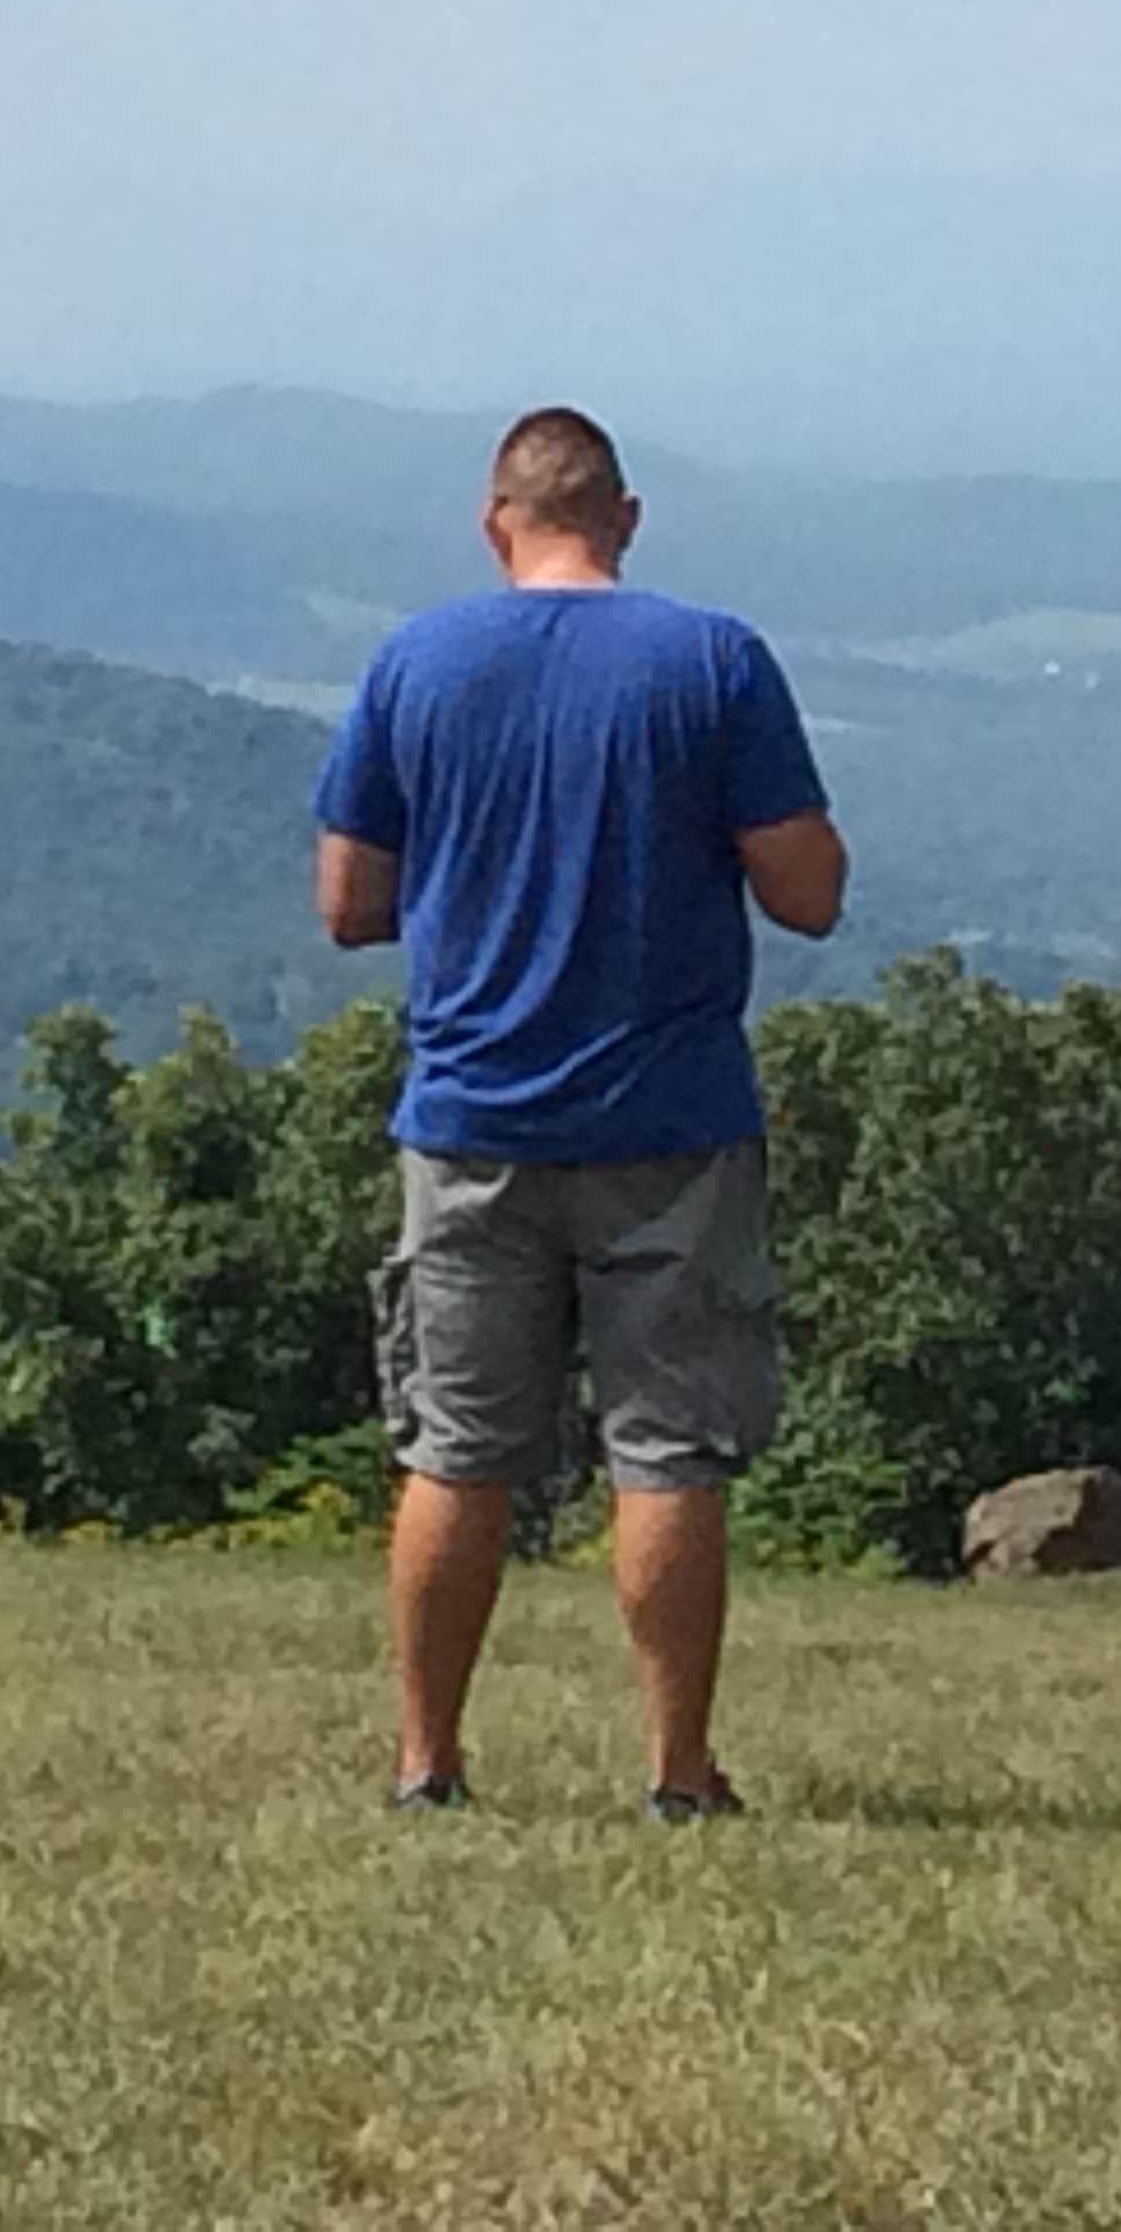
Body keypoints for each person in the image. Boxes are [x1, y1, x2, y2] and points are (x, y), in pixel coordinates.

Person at [313, 407, 849, 1822]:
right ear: (627, 517)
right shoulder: (713, 661)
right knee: (664, 1453)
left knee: (454, 1448)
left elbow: (348, 903)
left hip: (469, 1117)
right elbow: (809, 892)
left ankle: (428, 1762)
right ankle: (678, 1770)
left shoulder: (415, 662)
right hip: (670, 1120)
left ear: (497, 523)